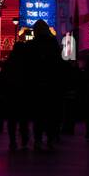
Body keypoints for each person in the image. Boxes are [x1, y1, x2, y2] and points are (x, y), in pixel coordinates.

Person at [26, 19, 63, 150]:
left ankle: (38, 140)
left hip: (36, 85)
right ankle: (50, 140)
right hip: (52, 85)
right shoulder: (53, 44)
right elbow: (59, 65)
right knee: (51, 114)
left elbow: (28, 68)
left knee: (38, 114)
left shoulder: (31, 45)